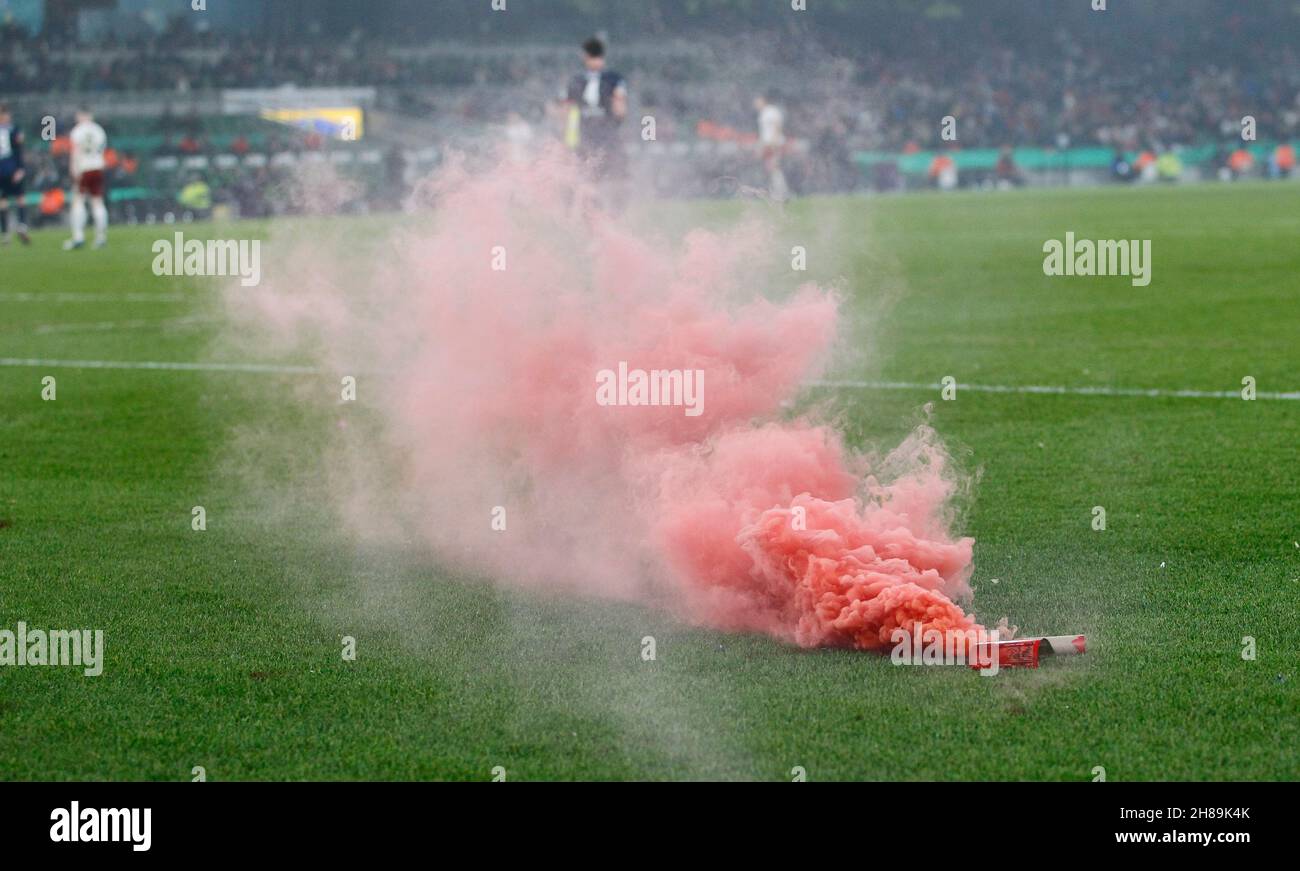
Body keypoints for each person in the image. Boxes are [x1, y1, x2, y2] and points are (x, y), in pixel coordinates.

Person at [563, 36, 628, 209]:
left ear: (585, 56)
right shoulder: (614, 78)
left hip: (586, 134)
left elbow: (567, 110)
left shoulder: (576, 80)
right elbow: (620, 107)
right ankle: (610, 209)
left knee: (588, 173)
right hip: (606, 134)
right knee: (612, 173)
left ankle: (592, 207)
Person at [64, 108, 109, 251]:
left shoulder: (77, 131)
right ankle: (101, 237)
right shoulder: (99, 130)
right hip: (97, 167)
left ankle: (78, 237)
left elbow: (75, 151)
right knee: (97, 201)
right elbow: (102, 150)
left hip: (83, 167)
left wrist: (74, 169)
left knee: (78, 200)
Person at [0, 104, 31, 246]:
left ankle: (6, 235)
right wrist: (21, 168)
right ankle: (22, 226)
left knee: (4, 201)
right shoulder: (13, 130)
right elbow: (19, 149)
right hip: (12, 169)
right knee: (20, 199)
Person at [754, 92, 789, 201]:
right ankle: (777, 192)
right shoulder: (764, 113)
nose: (755, 104)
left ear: (763, 100)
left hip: (774, 144)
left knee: (774, 167)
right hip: (768, 144)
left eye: (757, 101)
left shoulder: (771, 111)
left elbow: (777, 125)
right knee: (771, 168)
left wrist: (774, 140)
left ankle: (781, 193)